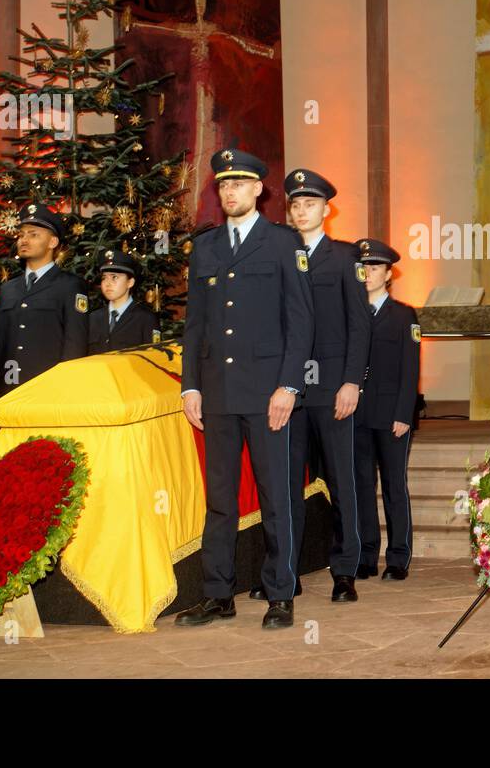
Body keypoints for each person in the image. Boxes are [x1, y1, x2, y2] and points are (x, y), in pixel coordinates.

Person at [176, 148, 315, 630]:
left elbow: (301, 323)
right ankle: (218, 594)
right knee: (219, 499)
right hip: (216, 393)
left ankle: (280, 593)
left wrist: (288, 387)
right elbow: (194, 326)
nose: (229, 191)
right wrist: (189, 386)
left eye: (239, 183)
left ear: (259, 189)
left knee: (276, 494)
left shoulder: (282, 243)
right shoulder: (207, 247)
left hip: (267, 394)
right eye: (223, 185)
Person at [266, 169, 372, 604]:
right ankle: (283, 574)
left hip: (331, 388)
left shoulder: (345, 259)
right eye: (295, 204)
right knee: (285, 485)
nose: (301, 210)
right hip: (287, 391)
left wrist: (352, 382)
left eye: (309, 203)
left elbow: (359, 327)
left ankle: (345, 570)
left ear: (326, 210)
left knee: (341, 481)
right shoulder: (277, 256)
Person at [0, 203, 89, 419]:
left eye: (34, 234)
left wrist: (67, 390)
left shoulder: (69, 285)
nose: (24, 240)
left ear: (52, 242)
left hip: (48, 391)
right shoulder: (9, 289)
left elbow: (75, 343)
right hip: (8, 389)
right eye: (21, 234)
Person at [352, 239, 420, 581]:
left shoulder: (404, 315)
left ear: (388, 274)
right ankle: (366, 554)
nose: (368, 274)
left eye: (375, 268)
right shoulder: (350, 312)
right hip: (357, 414)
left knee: (394, 484)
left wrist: (404, 414)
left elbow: (411, 369)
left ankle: (397, 557)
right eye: (364, 267)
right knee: (362, 484)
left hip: (391, 414)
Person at [87, 248, 160, 354]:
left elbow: (153, 357)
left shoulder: (145, 318)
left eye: (114, 277)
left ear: (130, 282)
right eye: (104, 278)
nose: (107, 283)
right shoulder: (93, 318)